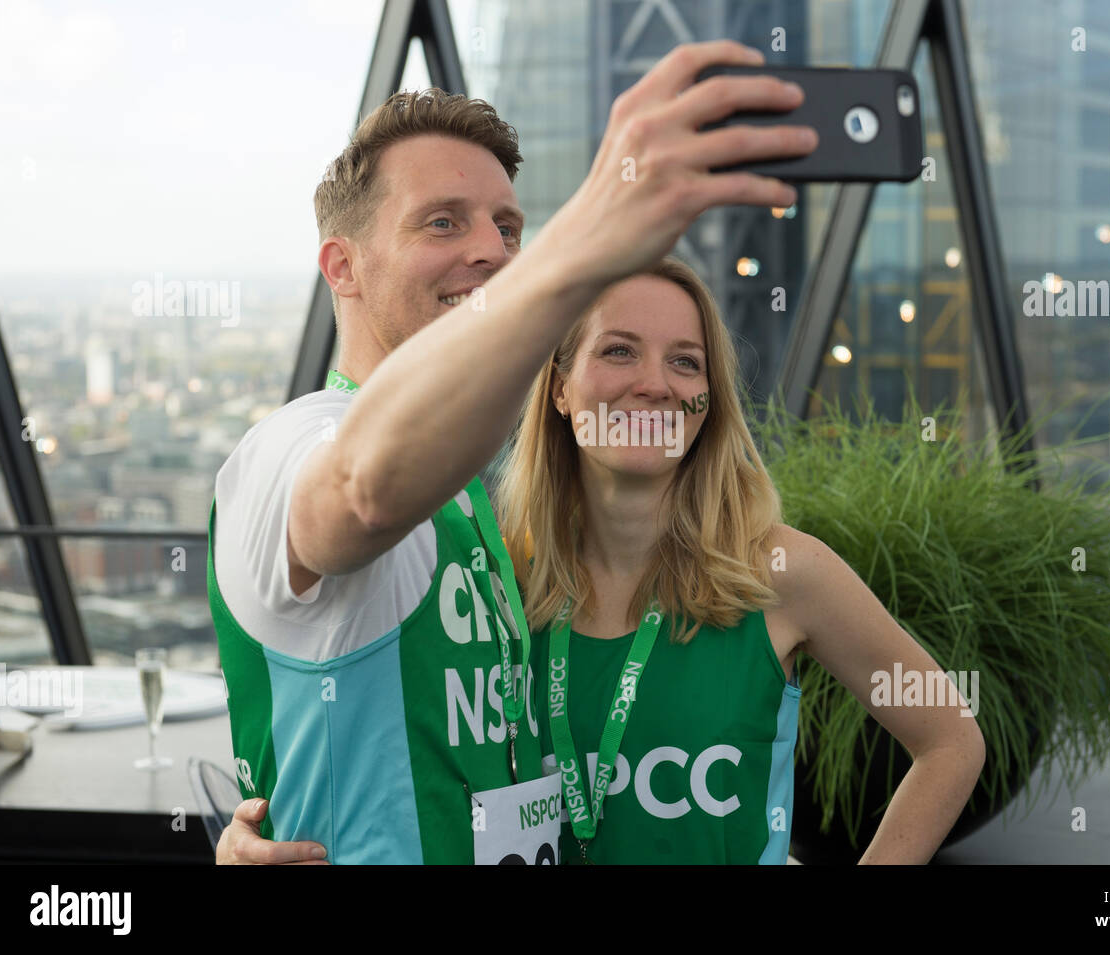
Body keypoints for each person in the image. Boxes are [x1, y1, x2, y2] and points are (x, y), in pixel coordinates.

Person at [209, 40, 819, 864]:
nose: (492, 251)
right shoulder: (293, 444)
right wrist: (584, 242)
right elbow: (357, 490)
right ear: (341, 267)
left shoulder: (476, 504)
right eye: (441, 222)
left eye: (508, 226)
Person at [496, 256, 987, 864]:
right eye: (619, 351)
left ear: (708, 404)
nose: (655, 383)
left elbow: (950, 739)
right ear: (561, 390)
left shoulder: (781, 571)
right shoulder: (501, 574)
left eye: (685, 361)